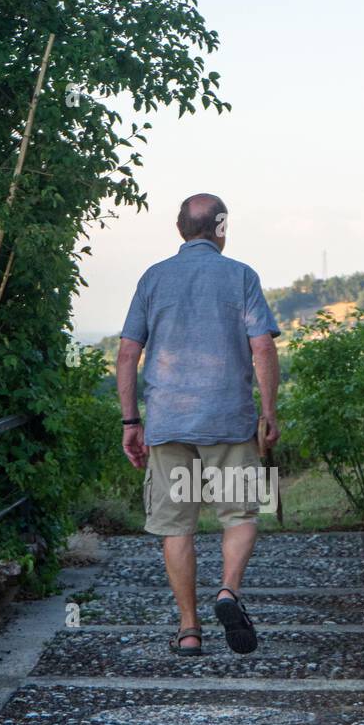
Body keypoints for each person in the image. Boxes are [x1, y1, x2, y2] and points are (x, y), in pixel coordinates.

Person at [116, 193, 280, 657]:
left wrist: (132, 421)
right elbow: (263, 348)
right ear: (221, 227)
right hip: (229, 419)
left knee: (176, 527)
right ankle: (228, 592)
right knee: (241, 515)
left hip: (168, 423)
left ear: (180, 228)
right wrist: (268, 412)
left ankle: (189, 631)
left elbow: (128, 353)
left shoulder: (153, 277)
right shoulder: (241, 276)